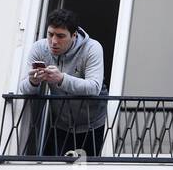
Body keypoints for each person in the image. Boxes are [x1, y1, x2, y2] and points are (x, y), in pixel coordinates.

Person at [17, 9, 107, 158]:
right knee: (58, 167)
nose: (53, 41)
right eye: (50, 34)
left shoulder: (92, 48)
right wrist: (33, 82)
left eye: (60, 36)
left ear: (74, 35)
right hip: (61, 124)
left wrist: (61, 79)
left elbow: (94, 87)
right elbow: (23, 88)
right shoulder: (39, 48)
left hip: (94, 125)